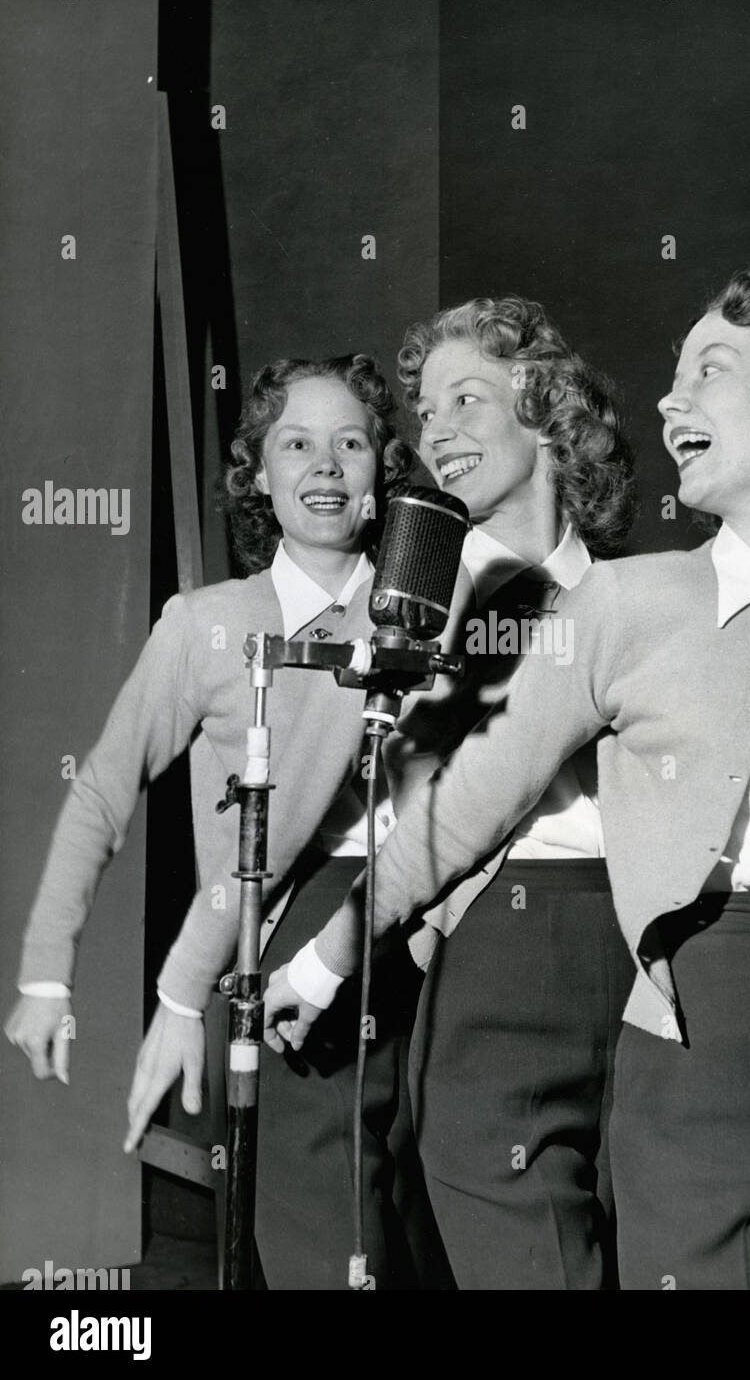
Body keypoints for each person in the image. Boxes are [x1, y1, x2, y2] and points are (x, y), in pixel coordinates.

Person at [266, 268, 750, 1289]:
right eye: (669, 383)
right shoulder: (625, 605)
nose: (672, 401)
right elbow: (459, 810)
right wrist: (325, 958)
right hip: (706, 1066)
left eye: (707, 371)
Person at [5, 353, 446, 1290]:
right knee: (322, 1246)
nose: (325, 467)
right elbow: (102, 788)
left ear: (380, 478)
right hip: (278, 943)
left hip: (432, 944)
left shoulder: (432, 617)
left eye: (351, 444)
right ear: (259, 476)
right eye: (297, 445)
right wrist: (48, 973)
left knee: (412, 1238)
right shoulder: (206, 625)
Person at [270, 296, 638, 1289]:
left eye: (465, 399)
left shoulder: (637, 602)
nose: (435, 431)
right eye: (425, 411)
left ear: (543, 408)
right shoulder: (422, 606)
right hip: (476, 946)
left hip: (634, 944)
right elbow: (434, 808)